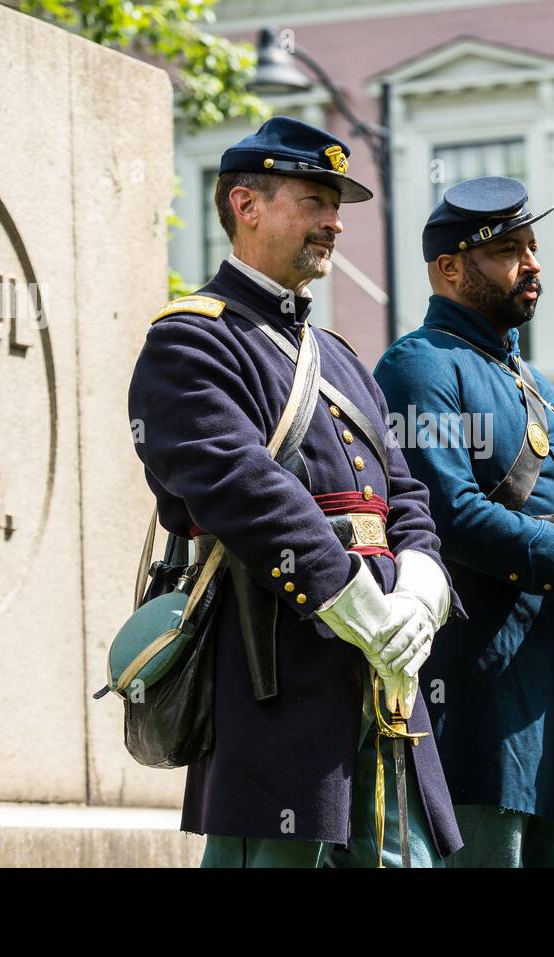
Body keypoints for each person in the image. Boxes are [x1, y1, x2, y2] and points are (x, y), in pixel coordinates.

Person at [127, 116, 462, 868]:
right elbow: (244, 490)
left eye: (335, 205)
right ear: (246, 205)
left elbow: (404, 494)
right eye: (315, 200)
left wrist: (420, 593)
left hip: (388, 680)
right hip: (275, 679)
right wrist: (363, 610)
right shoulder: (192, 339)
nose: (334, 222)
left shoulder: (338, 356)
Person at [373, 176, 554, 867]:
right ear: (450, 268)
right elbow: (447, 515)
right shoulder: (419, 365)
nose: (533, 263)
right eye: (509, 249)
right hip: (476, 712)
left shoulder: (540, 386)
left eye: (534, 245)